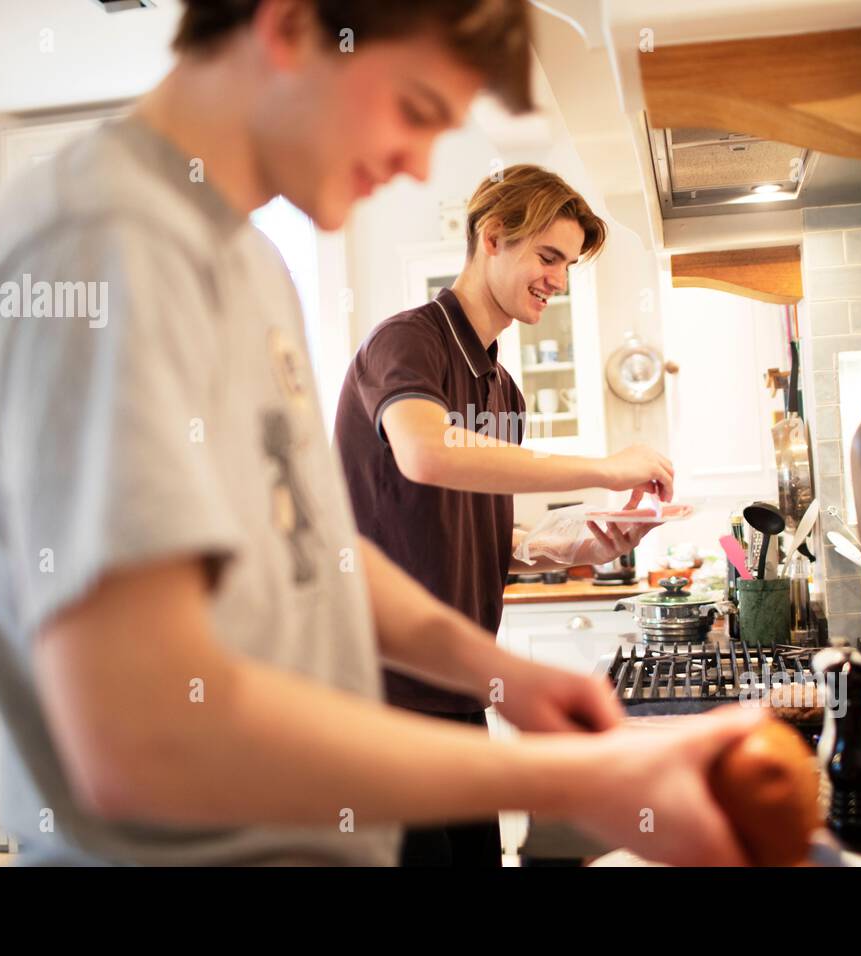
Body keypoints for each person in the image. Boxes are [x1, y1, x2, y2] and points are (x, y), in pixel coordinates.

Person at [0, 0, 762, 866]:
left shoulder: (252, 263)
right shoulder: (98, 247)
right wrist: (573, 778)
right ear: (290, 29)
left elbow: (317, 544)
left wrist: (513, 679)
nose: (416, 163)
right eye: (412, 107)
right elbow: (143, 737)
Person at [335, 164, 673, 865]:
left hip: (458, 690)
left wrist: (578, 544)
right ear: (492, 238)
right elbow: (426, 455)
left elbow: (485, 535)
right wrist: (604, 466)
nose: (558, 278)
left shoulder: (505, 390)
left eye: (568, 264)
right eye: (548, 256)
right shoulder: (409, 343)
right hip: (382, 693)